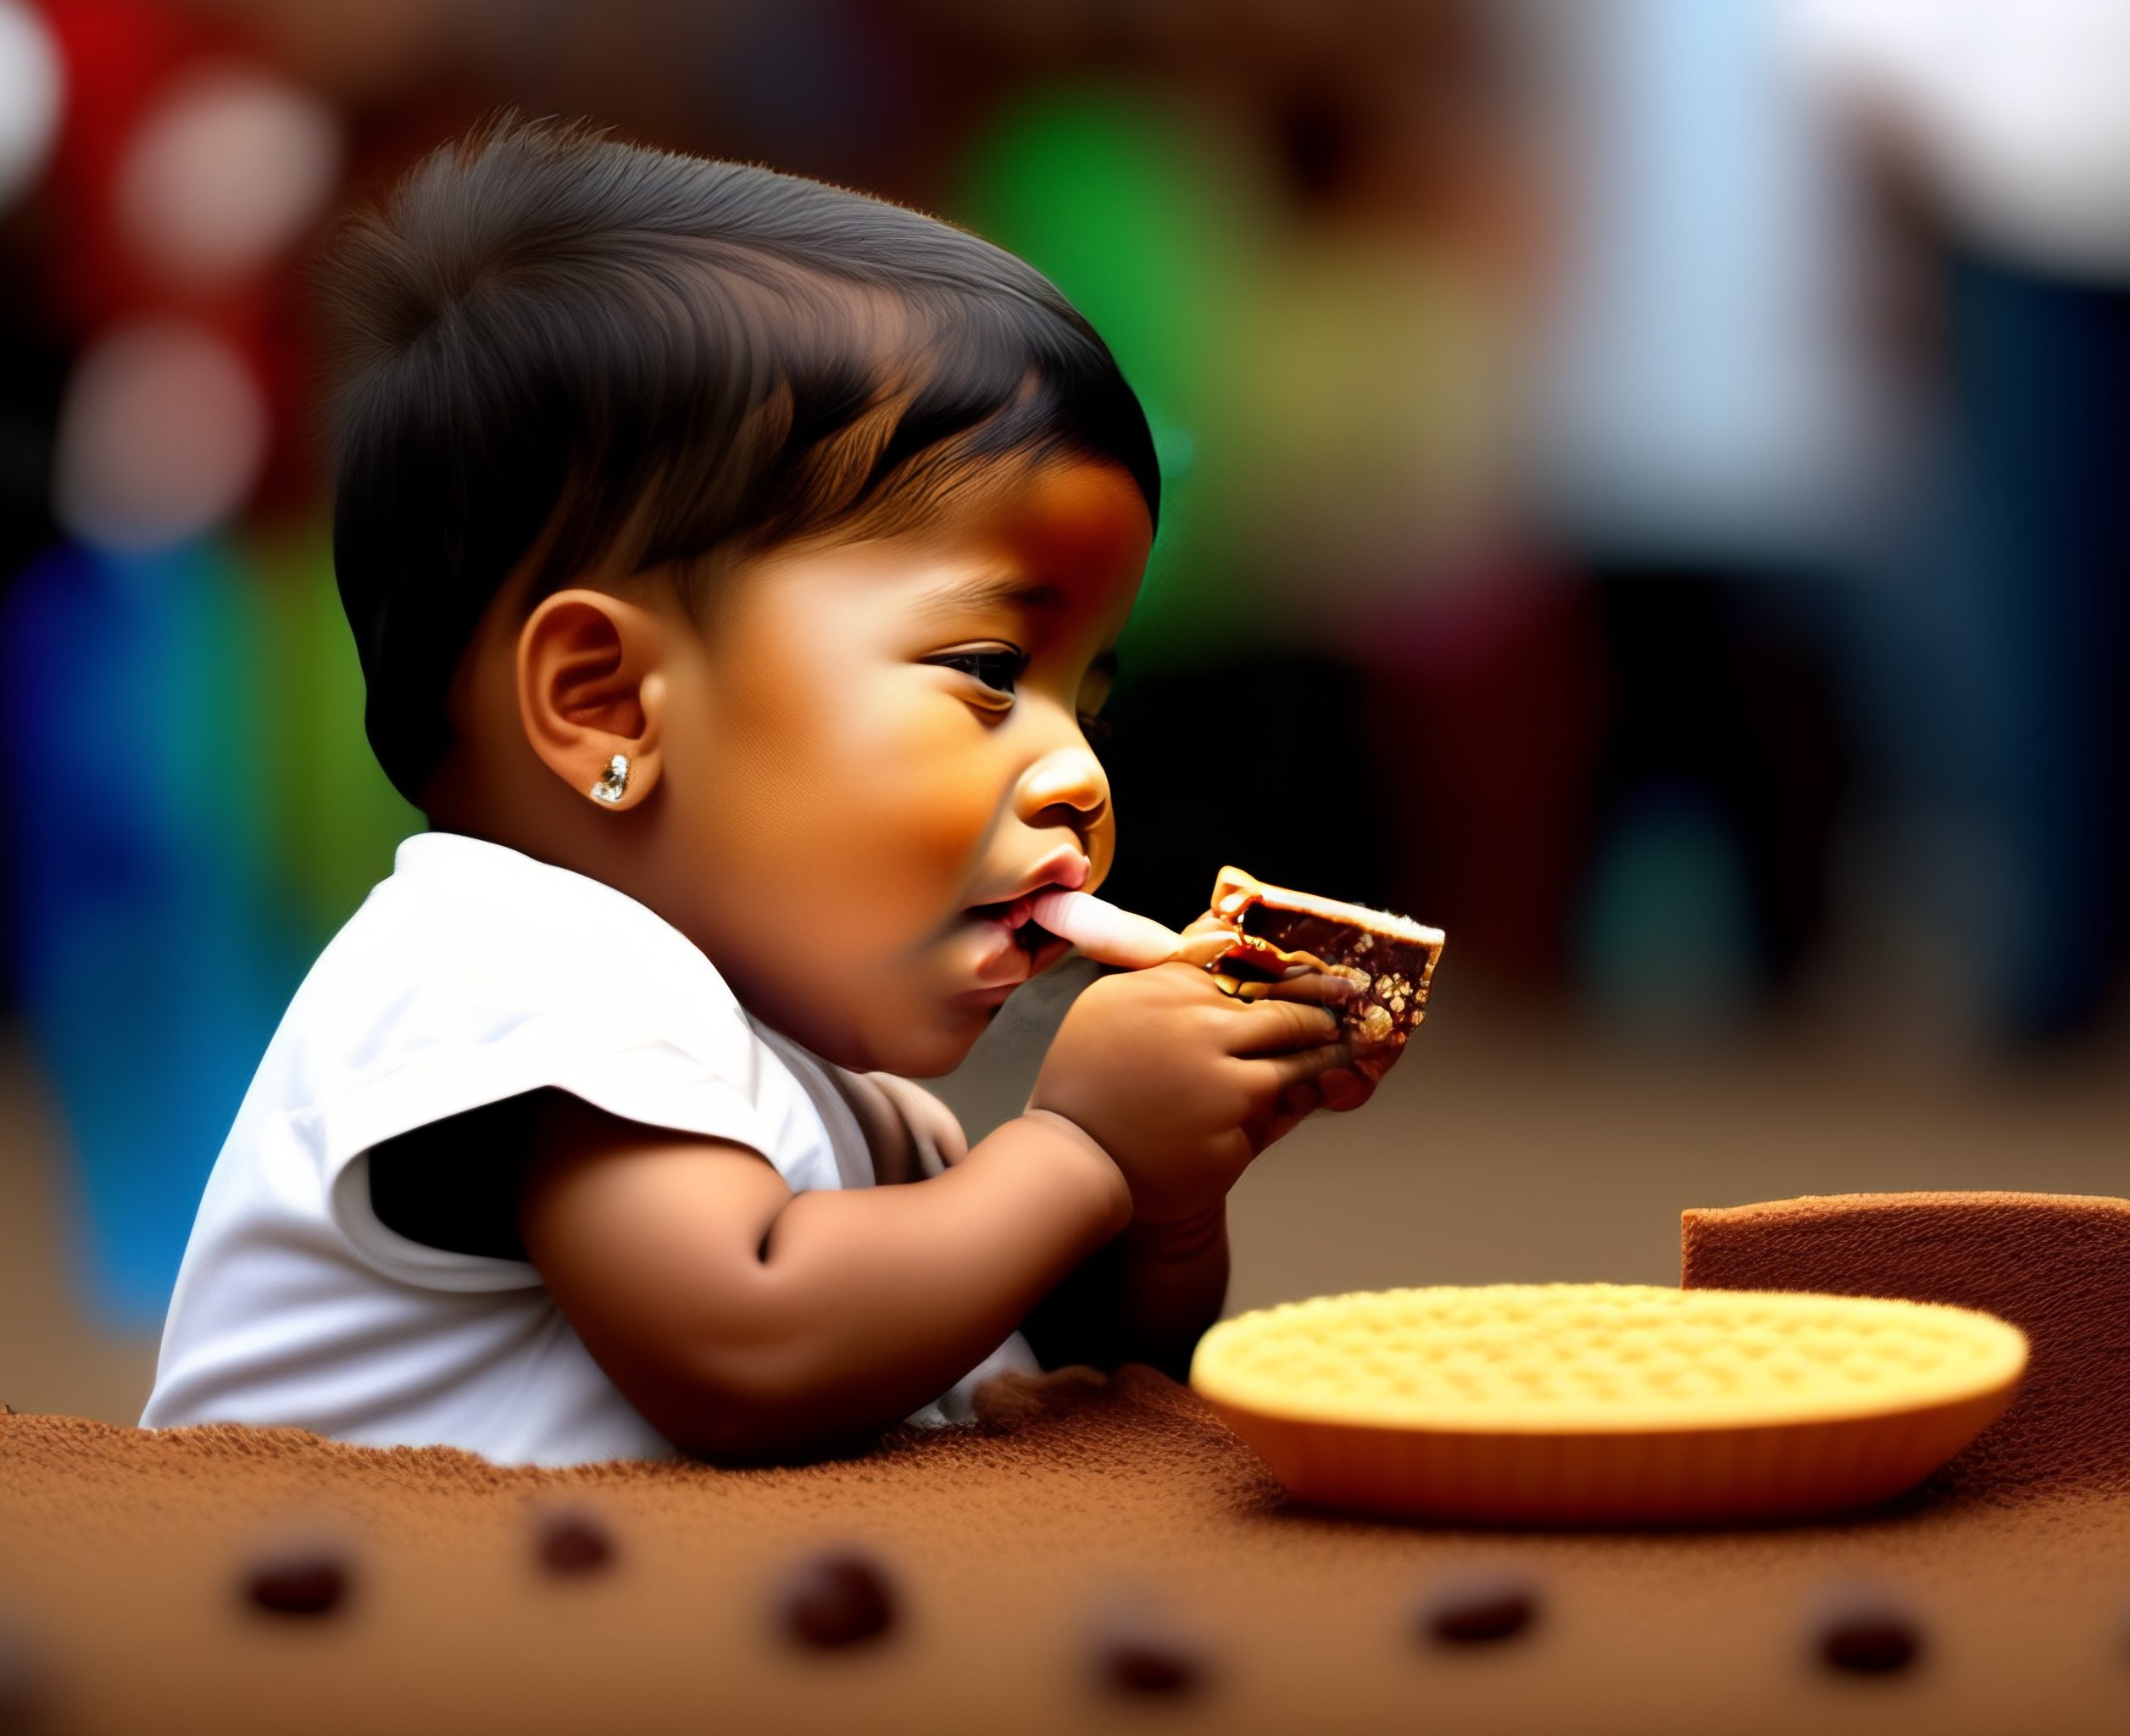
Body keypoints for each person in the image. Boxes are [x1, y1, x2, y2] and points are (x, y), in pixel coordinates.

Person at [138, 115, 1372, 1467]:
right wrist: (1083, 1150)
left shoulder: (819, 1078)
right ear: (608, 703)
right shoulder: (512, 971)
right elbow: (752, 1342)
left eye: (1088, 705)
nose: (1080, 774)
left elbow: (1055, 1366)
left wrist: (1162, 1204)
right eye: (988, 671)